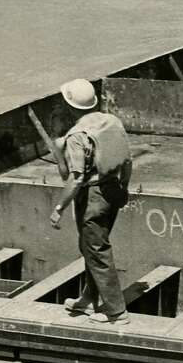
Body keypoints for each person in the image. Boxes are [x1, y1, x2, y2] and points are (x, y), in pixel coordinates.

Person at [48, 78, 133, 325]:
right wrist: (124, 188)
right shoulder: (111, 122)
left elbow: (75, 178)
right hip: (113, 190)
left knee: (96, 251)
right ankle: (87, 299)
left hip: (93, 196)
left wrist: (59, 208)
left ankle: (116, 312)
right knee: (91, 247)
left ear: (70, 106)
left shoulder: (77, 135)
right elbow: (127, 160)